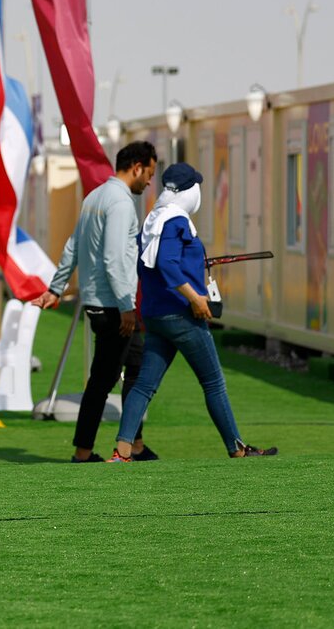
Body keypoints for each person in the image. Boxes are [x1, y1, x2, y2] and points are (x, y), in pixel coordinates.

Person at [111, 163, 277, 462]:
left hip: (156, 316)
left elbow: (153, 263)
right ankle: (237, 448)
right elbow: (167, 264)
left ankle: (122, 452)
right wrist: (196, 298)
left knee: (143, 386)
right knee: (213, 382)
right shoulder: (177, 221)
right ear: (189, 190)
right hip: (181, 316)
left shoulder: (154, 218)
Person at [35, 141, 158, 463]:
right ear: (137, 167)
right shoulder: (120, 203)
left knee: (136, 369)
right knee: (103, 381)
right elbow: (114, 259)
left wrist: (56, 288)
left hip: (101, 302)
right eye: (149, 174)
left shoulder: (94, 197)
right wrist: (126, 306)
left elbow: (72, 246)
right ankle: (84, 452)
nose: (149, 182)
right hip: (114, 307)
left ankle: (134, 445)